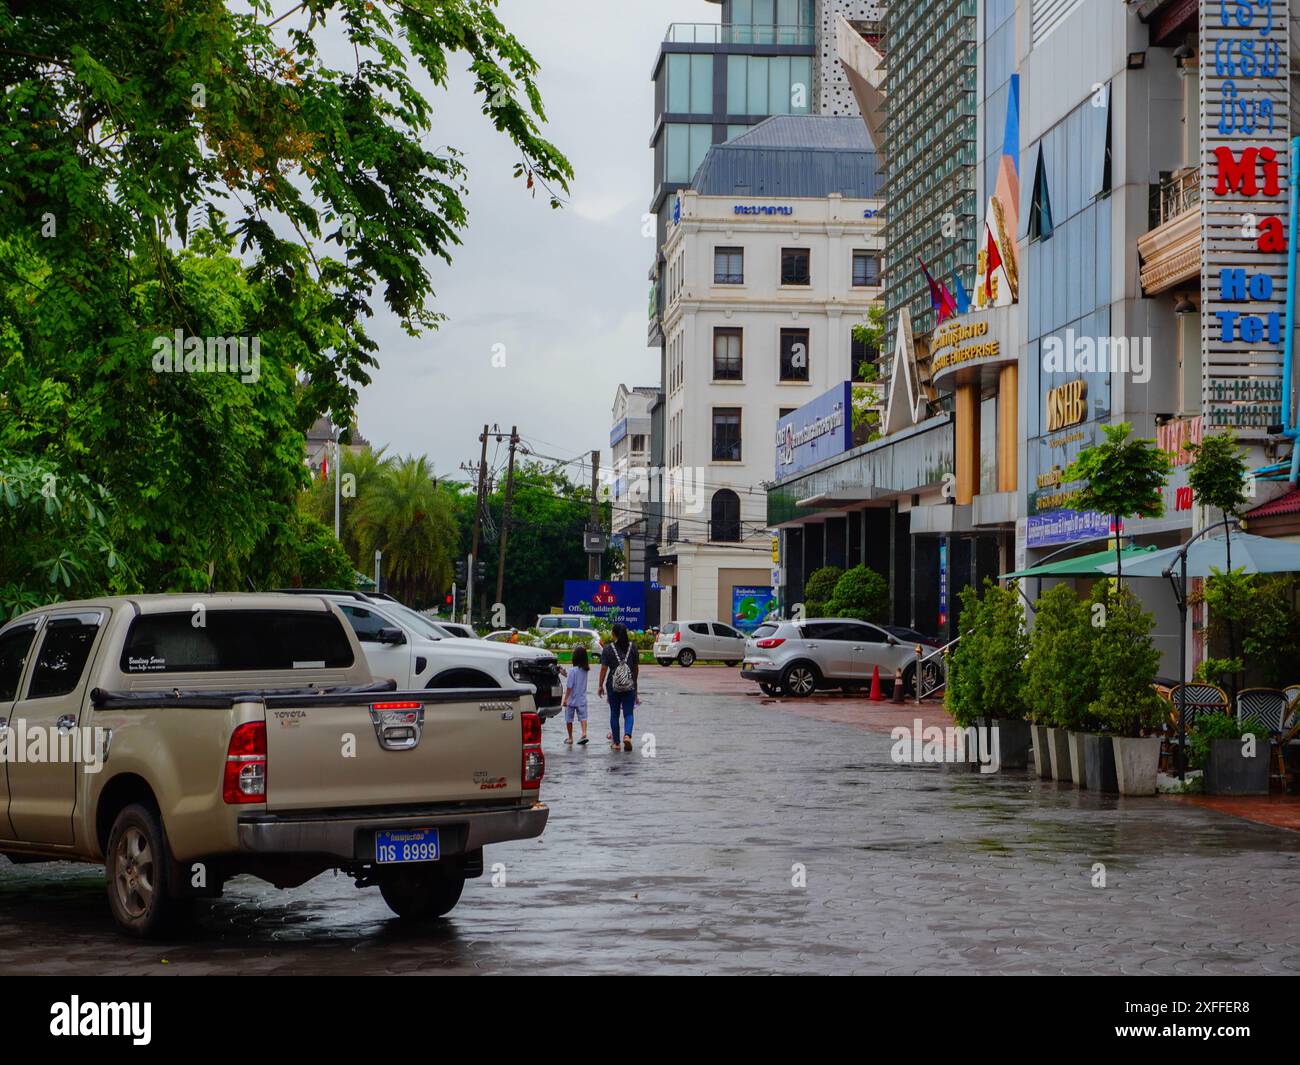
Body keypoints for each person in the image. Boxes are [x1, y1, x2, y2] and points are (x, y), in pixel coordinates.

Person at [598, 622, 640, 751]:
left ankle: (616, 743)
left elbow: (604, 669)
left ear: (614, 634)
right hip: (629, 685)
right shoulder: (633, 647)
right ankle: (627, 735)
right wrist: (634, 684)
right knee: (628, 713)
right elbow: (636, 669)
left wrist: (600, 685)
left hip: (613, 685)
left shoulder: (608, 649)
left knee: (614, 713)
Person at [561, 646, 590, 746]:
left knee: (569, 719)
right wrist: (565, 674)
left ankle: (570, 737)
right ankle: (584, 733)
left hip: (571, 700)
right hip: (581, 699)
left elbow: (569, 686)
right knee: (583, 717)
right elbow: (576, 679)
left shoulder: (573, 670)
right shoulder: (585, 670)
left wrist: (565, 699)